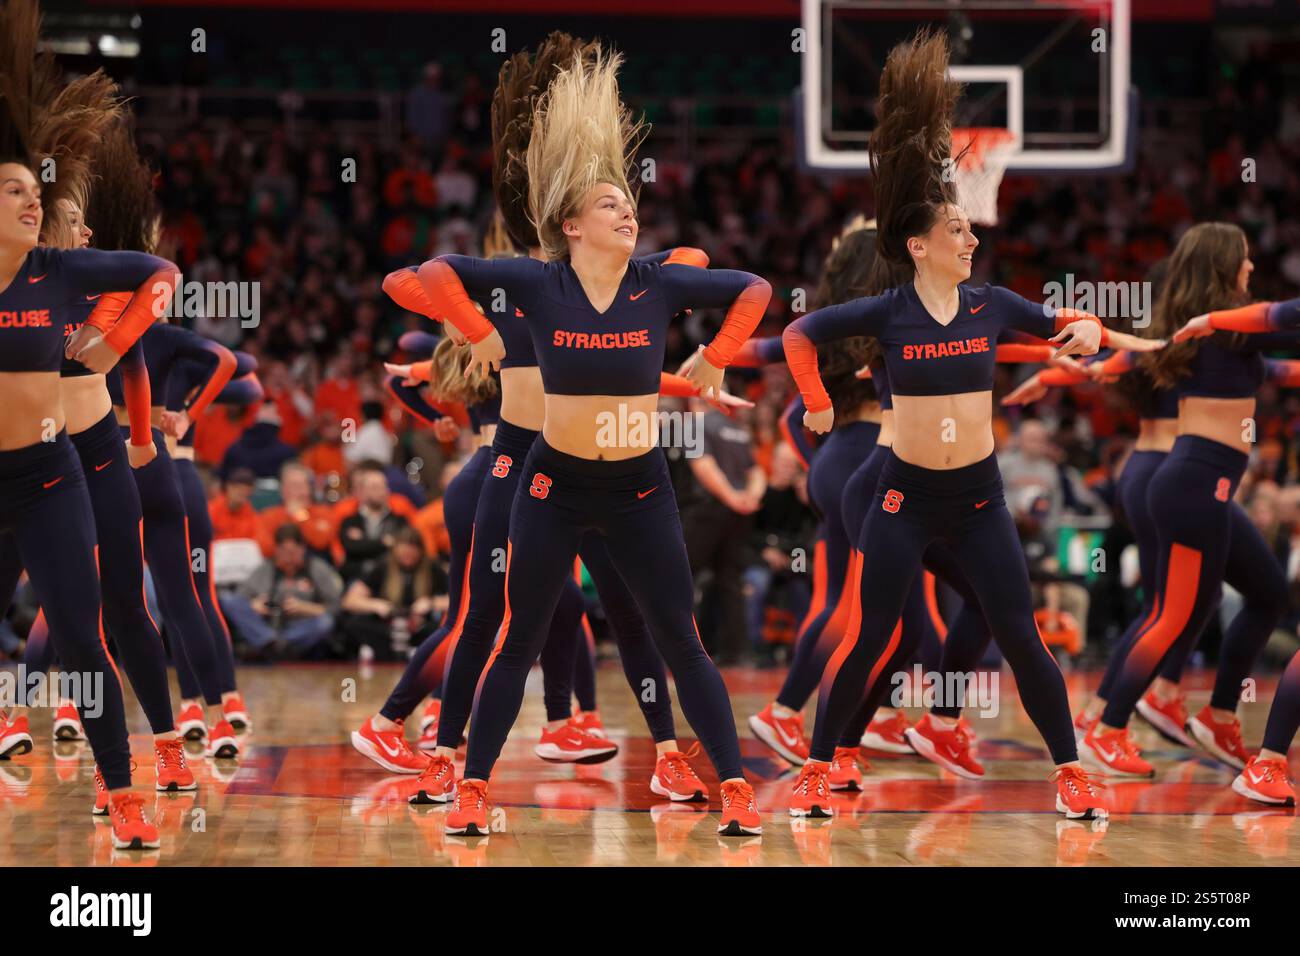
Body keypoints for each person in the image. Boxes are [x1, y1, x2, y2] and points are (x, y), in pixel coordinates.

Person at [416, 40, 770, 836]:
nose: (627, 210)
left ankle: (736, 788)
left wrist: (713, 358)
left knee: (681, 639)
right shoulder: (538, 283)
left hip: (641, 487)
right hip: (552, 485)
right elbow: (435, 270)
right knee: (519, 636)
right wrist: (479, 333)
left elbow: (755, 289)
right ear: (572, 225)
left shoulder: (660, 282)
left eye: (629, 202)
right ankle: (472, 787)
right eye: (609, 204)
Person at [779, 30, 1120, 820]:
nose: (972, 237)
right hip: (899, 496)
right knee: (871, 639)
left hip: (978, 500)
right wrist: (818, 401)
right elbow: (800, 336)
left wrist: (1089, 329)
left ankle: (1069, 773)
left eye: (971, 230)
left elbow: (1061, 319)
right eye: (959, 230)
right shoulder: (886, 311)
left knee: (1022, 634)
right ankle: (820, 765)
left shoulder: (992, 304)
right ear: (919, 245)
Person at [0, 0, 177, 847]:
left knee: (86, 630)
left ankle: (123, 786)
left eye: (34, 193)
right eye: (12, 193)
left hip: (53, 472)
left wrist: (111, 342)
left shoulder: (60, 271)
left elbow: (160, 272)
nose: (30, 204)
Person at [682, 394, 766, 664]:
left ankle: (676, 649)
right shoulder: (738, 430)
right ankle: (736, 652)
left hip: (708, 509)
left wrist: (730, 497)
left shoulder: (694, 425)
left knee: (681, 575)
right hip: (739, 514)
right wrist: (748, 498)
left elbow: (703, 466)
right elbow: (757, 472)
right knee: (731, 580)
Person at [221, 523, 342, 658]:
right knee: (227, 599)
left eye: (292, 552)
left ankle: (276, 646)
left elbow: (337, 606)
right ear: (276, 550)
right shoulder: (266, 569)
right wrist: (253, 604)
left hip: (301, 625)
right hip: (267, 625)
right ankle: (270, 642)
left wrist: (306, 608)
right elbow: (239, 599)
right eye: (282, 551)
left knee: (325, 622)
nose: (287, 557)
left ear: (302, 549)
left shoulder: (317, 569)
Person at [340, 525, 447, 661]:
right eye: (403, 547)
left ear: (421, 550)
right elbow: (349, 601)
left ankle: (418, 651)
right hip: (388, 626)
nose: (407, 552)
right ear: (395, 549)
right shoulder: (382, 566)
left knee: (443, 627)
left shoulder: (432, 568)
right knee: (353, 623)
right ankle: (378, 651)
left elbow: (457, 600)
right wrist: (376, 605)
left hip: (420, 627)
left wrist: (431, 603)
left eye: (412, 548)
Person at [337, 461, 410, 582]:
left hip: (389, 578)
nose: (381, 491)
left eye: (383, 486)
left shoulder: (400, 521)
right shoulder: (350, 521)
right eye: (375, 487)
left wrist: (364, 542)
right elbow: (352, 548)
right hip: (356, 577)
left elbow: (400, 550)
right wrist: (384, 542)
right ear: (362, 491)